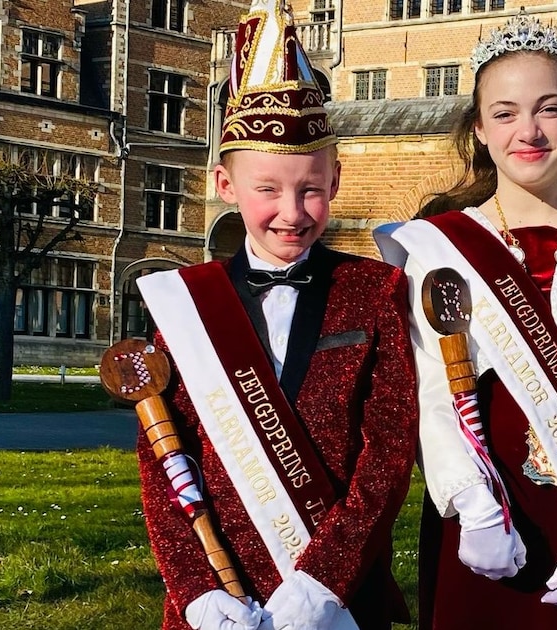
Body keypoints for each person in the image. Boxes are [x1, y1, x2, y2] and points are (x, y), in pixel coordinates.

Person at [374, 12, 557, 630]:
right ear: (479, 129)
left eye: (549, 108)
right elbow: (430, 391)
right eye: (505, 113)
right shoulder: (438, 246)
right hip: (481, 517)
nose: (529, 131)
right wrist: (469, 503)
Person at [134, 1, 418, 629]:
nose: (291, 211)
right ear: (225, 184)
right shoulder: (186, 304)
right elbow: (162, 458)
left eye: (310, 188)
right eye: (267, 188)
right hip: (218, 599)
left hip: (338, 600)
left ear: (336, 180)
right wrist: (196, 590)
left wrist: (325, 583)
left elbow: (390, 453)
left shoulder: (376, 290)